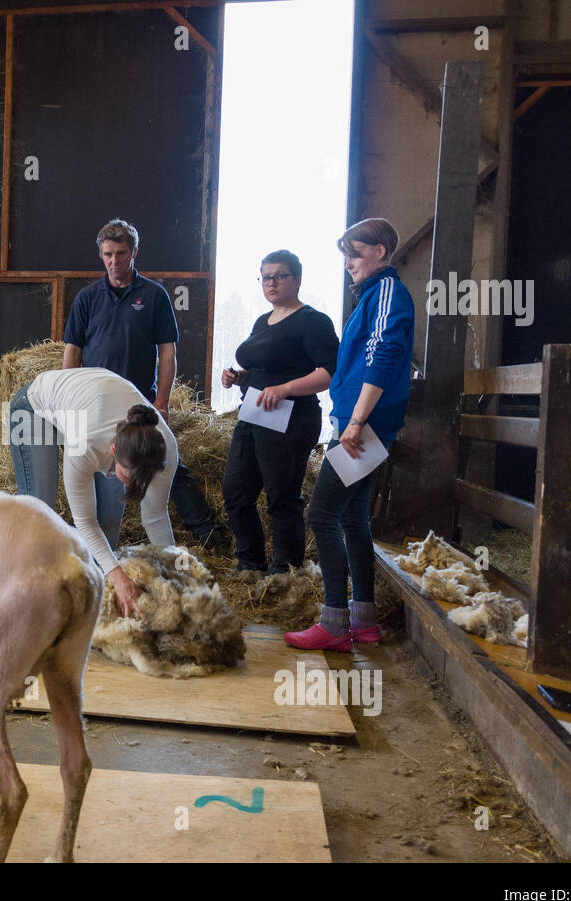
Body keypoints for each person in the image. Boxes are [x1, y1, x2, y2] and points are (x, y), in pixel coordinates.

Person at [63, 218, 231, 553]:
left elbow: (167, 351)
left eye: (121, 253)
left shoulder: (153, 295)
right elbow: (72, 352)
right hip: (96, 404)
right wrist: (71, 404)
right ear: (101, 255)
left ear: (134, 252)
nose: (115, 261)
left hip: (138, 402)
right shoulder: (87, 298)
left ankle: (209, 536)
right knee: (105, 466)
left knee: (166, 461)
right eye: (108, 254)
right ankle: (102, 543)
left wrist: (163, 402)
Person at [285, 218, 414, 651]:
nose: (348, 263)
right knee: (352, 518)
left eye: (355, 253)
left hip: (367, 428)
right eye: (345, 255)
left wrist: (355, 423)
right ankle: (365, 620)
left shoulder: (388, 294)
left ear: (380, 251)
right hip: (360, 425)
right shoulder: (373, 295)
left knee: (321, 514)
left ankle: (334, 623)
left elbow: (383, 355)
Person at [9, 366, 176, 618]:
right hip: (36, 406)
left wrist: (176, 580)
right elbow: (84, 522)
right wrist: (120, 578)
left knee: (109, 522)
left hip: (91, 404)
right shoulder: (85, 444)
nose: (135, 488)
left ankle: (94, 608)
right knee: (40, 508)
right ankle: (23, 598)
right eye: (130, 479)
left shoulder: (164, 452)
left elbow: (156, 516)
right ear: (113, 451)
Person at [221, 250, 338, 573]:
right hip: (253, 416)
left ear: (297, 280)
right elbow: (262, 366)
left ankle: (285, 571)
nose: (271, 283)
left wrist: (285, 388)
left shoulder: (313, 321)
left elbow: (329, 371)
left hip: (291, 418)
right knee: (235, 492)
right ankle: (250, 563)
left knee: (281, 497)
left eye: (279, 276)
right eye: (265, 277)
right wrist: (237, 377)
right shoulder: (263, 321)